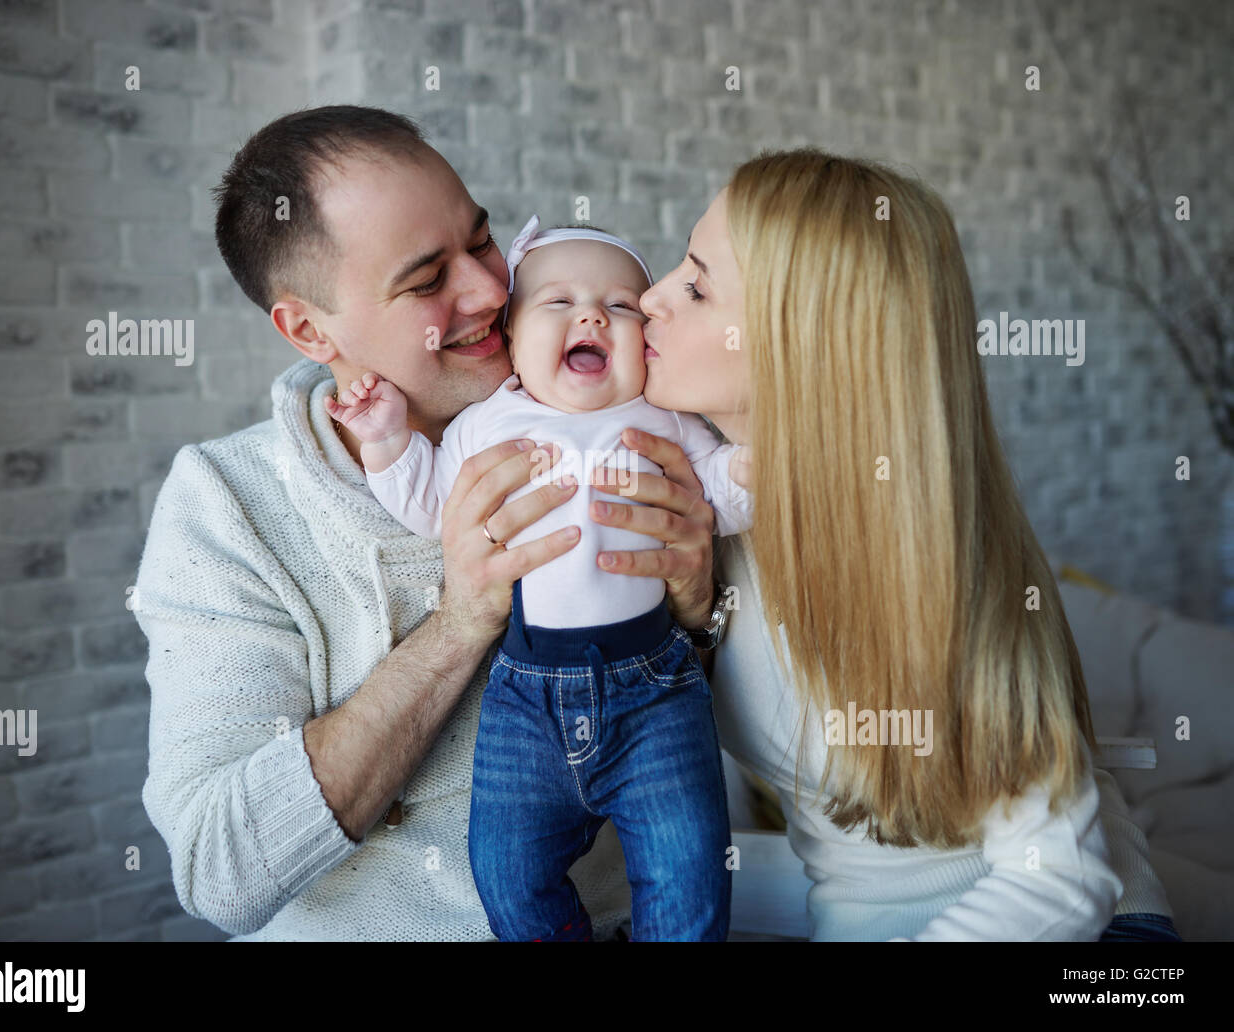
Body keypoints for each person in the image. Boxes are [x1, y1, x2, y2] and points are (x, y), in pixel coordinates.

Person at [133, 106, 726, 940]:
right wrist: (457, 624)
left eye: (481, 241)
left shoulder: (635, 418)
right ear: (308, 327)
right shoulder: (229, 504)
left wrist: (700, 613)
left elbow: (725, 752)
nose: (490, 289)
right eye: (426, 280)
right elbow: (218, 871)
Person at [633, 146, 1182, 941]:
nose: (649, 299)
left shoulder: (938, 574)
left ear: (804, 342)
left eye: (697, 284)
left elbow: (1061, 880)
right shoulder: (707, 504)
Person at [326, 215, 753, 940]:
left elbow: (719, 495)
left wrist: (762, 458)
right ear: (513, 342)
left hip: (657, 689)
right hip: (525, 698)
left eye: (620, 306)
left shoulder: (662, 417)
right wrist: (388, 440)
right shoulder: (488, 423)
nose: (592, 314)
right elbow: (430, 505)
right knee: (507, 870)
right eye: (558, 303)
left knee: (690, 867)